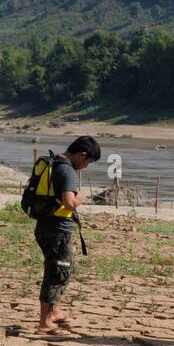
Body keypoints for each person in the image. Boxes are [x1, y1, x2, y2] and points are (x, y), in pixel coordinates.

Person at [34, 136, 101, 333]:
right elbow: (69, 203)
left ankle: (53, 312)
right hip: (56, 229)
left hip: (47, 225)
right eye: (88, 162)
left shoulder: (56, 163)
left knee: (61, 268)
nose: (87, 166)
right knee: (57, 271)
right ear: (82, 155)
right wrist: (82, 196)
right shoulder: (67, 170)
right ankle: (45, 323)